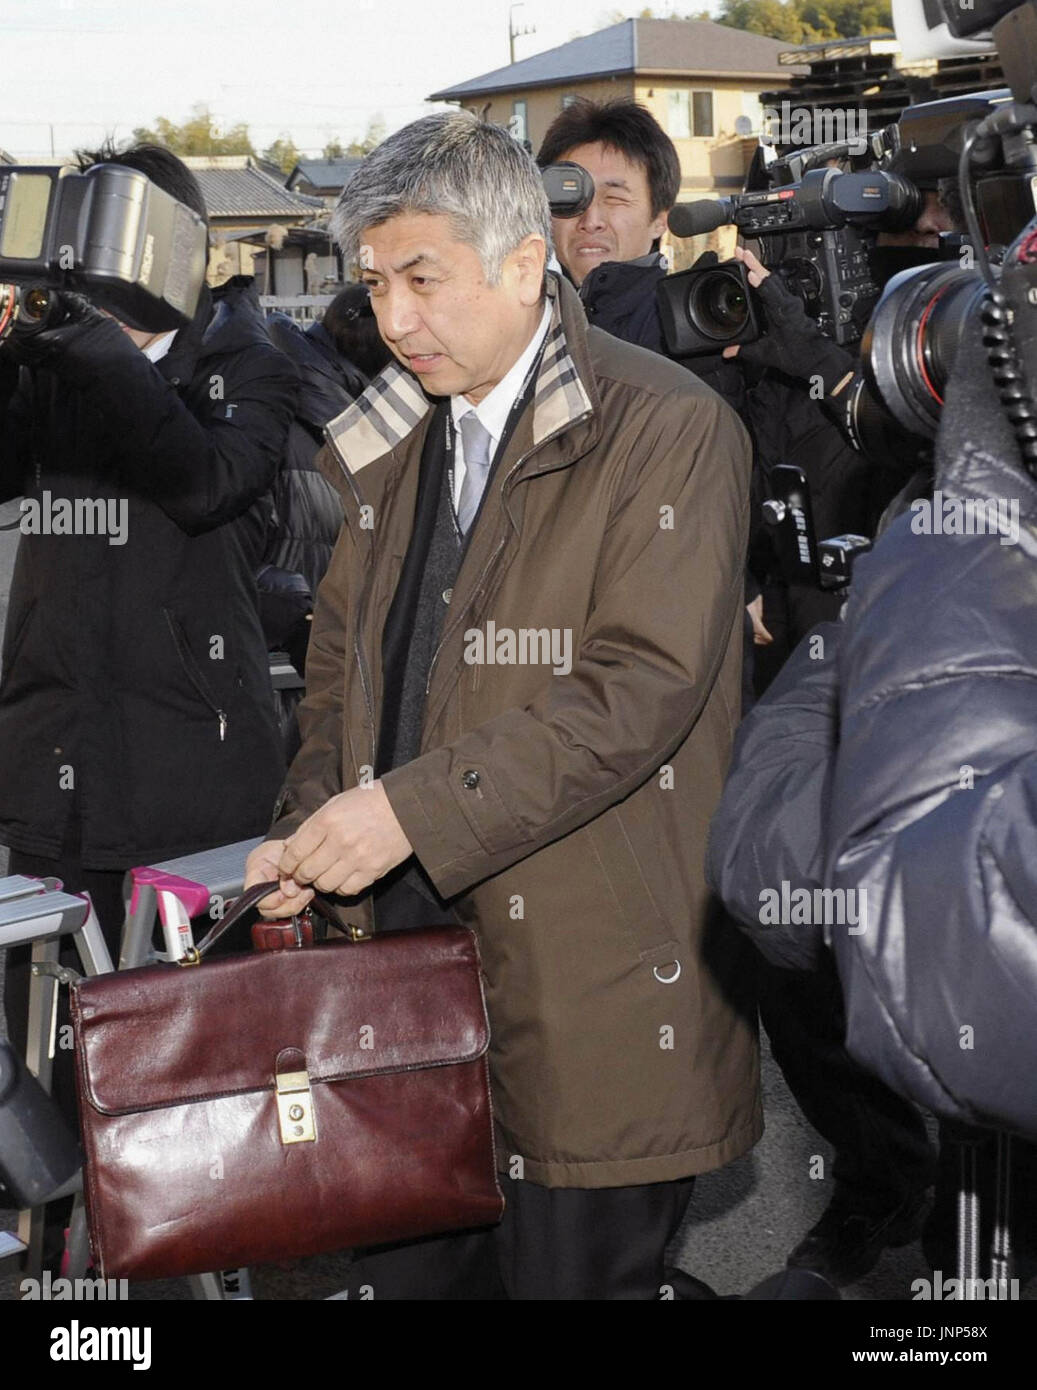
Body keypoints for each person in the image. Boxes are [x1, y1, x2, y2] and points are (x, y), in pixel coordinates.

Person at [243, 109, 760, 1300]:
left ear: (524, 260)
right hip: (399, 975)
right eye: (373, 284)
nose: (392, 320)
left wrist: (407, 813)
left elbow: (636, 690)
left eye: (422, 279)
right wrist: (314, 819)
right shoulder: (390, 437)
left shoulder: (669, 430)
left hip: (597, 985)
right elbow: (338, 668)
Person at [538, 96, 939, 1285]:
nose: (587, 220)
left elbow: (870, 465)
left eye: (611, 195)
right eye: (564, 197)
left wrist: (808, 360)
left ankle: (917, 1202)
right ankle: (876, 1194)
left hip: (868, 698)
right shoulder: (614, 331)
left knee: (872, 960)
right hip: (735, 704)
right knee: (775, 963)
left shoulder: (822, 334)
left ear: (663, 211)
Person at [0, 142, 298, 1125]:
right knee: (51, 1076)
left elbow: (203, 482)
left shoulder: (245, 362)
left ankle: (201, 1263)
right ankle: (73, 1253)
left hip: (190, 787)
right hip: (53, 765)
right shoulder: (49, 360)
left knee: (194, 1082)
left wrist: (89, 348)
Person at [259, 285, 392, 751]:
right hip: (284, 686)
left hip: (333, 685)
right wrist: (302, 618)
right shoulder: (274, 417)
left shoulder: (378, 422)